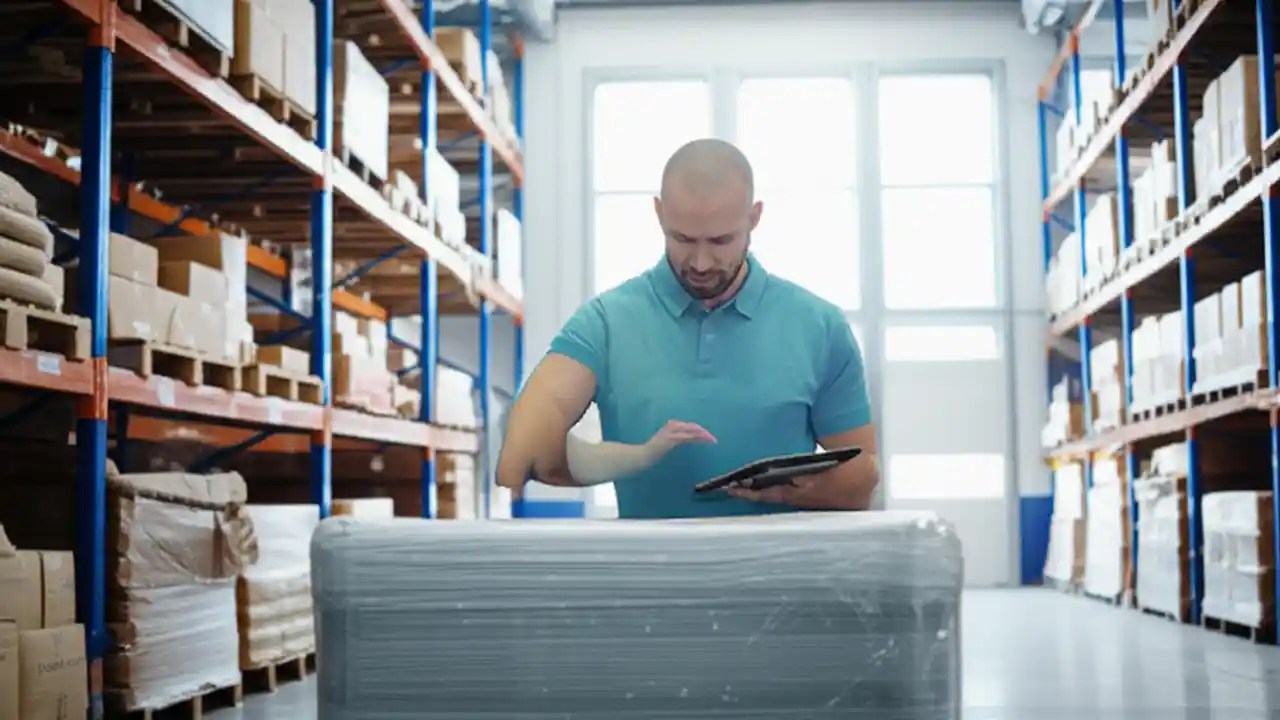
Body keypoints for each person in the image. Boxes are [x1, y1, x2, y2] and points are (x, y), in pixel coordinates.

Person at [497, 138, 880, 518]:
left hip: (775, 576)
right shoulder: (605, 324)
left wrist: (784, 493)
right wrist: (639, 457)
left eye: (721, 240)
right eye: (682, 239)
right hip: (650, 575)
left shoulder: (821, 328)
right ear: (659, 214)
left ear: (754, 218)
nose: (700, 263)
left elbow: (863, 480)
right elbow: (525, 450)